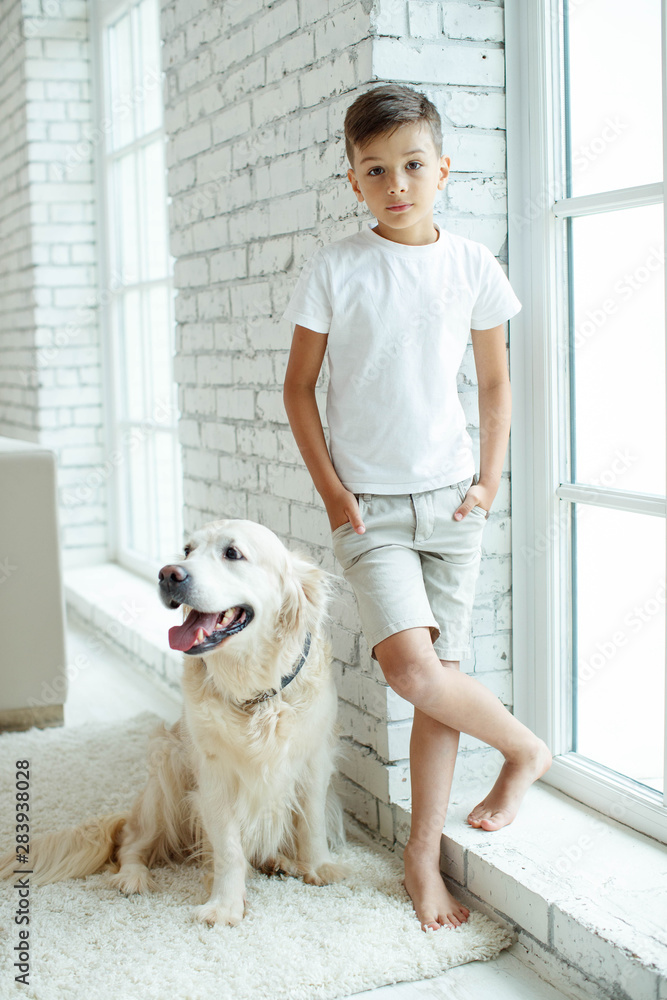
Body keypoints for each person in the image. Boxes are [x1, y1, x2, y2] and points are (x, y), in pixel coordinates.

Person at [281, 84, 552, 932]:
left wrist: (488, 482)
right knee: (412, 671)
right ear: (353, 181)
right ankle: (524, 748)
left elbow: (496, 383)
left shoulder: (471, 264)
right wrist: (334, 494)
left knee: (439, 685)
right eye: (374, 170)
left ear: (442, 169)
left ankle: (420, 856)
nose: (395, 183)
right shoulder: (336, 267)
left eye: (411, 165)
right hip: (369, 510)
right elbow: (297, 389)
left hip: (453, 502)